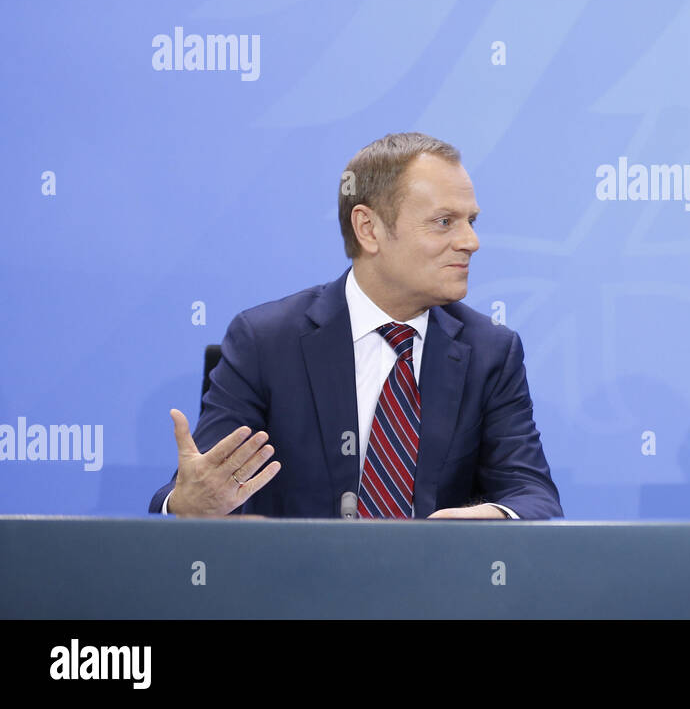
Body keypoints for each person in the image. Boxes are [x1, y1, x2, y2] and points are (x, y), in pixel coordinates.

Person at [150, 133, 562, 520]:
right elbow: (200, 486)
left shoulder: (491, 351)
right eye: (444, 222)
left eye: (471, 220)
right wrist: (187, 503)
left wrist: (495, 518)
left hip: (434, 588)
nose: (471, 241)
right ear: (369, 229)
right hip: (292, 587)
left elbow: (534, 495)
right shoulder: (266, 341)